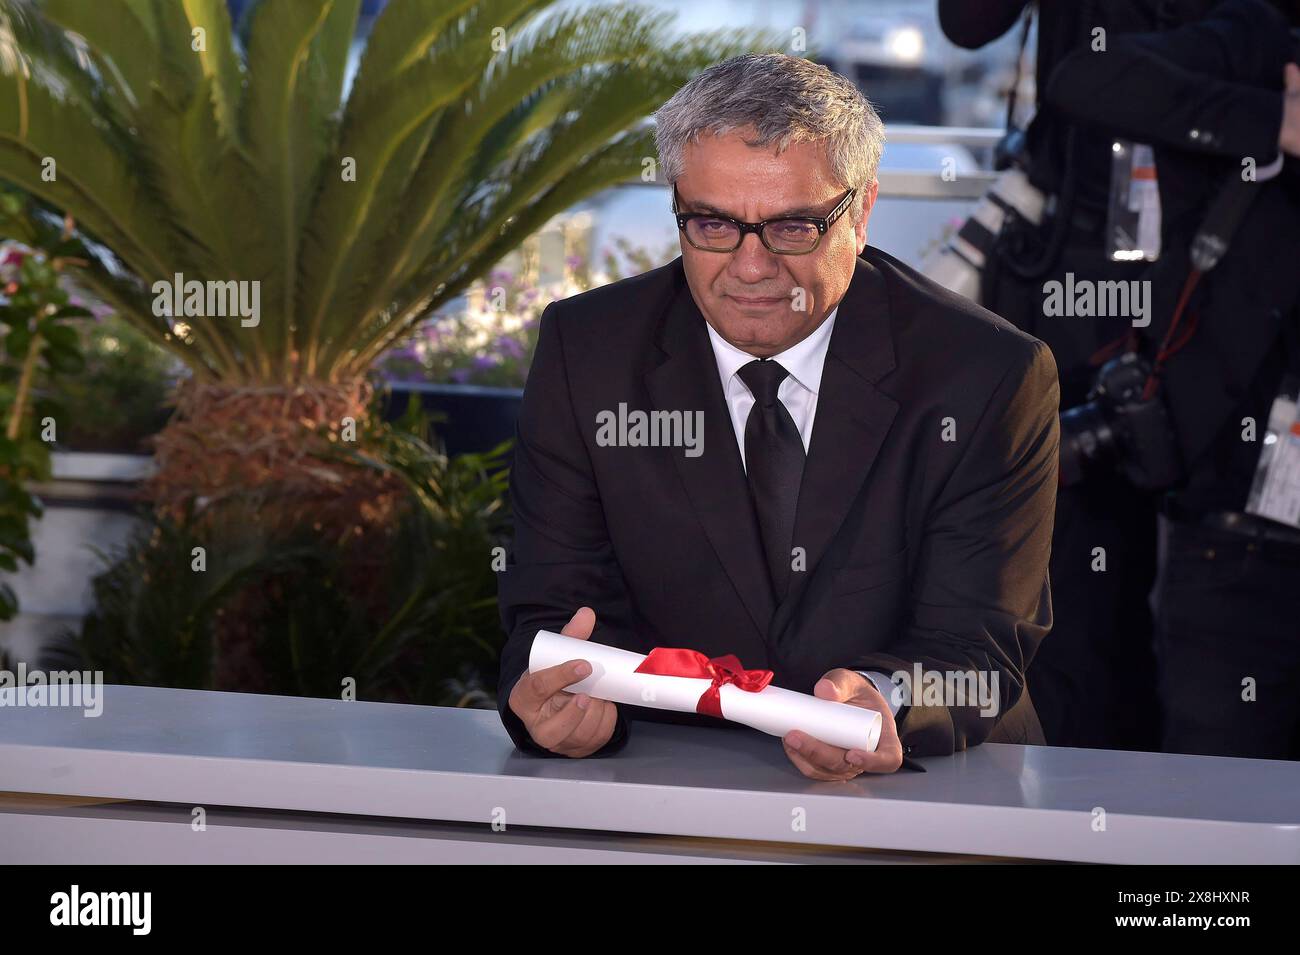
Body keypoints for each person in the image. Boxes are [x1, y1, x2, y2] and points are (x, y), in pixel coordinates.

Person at [496, 53, 1060, 779]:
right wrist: (555, 710)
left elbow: (979, 646)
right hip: (667, 786)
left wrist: (879, 701)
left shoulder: (987, 375)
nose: (752, 266)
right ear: (678, 206)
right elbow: (548, 610)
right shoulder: (588, 352)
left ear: (861, 210)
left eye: (793, 227)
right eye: (712, 224)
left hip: (938, 792)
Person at [936, 0, 1218, 752]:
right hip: (1068, 257)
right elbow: (966, 23)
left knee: (1224, 570)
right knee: (1071, 566)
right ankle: (1083, 795)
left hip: (1219, 258)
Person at [1045, 0, 1300, 758]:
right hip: (1232, 542)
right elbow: (1087, 77)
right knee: (1207, 812)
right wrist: (1278, 121)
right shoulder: (1265, 42)